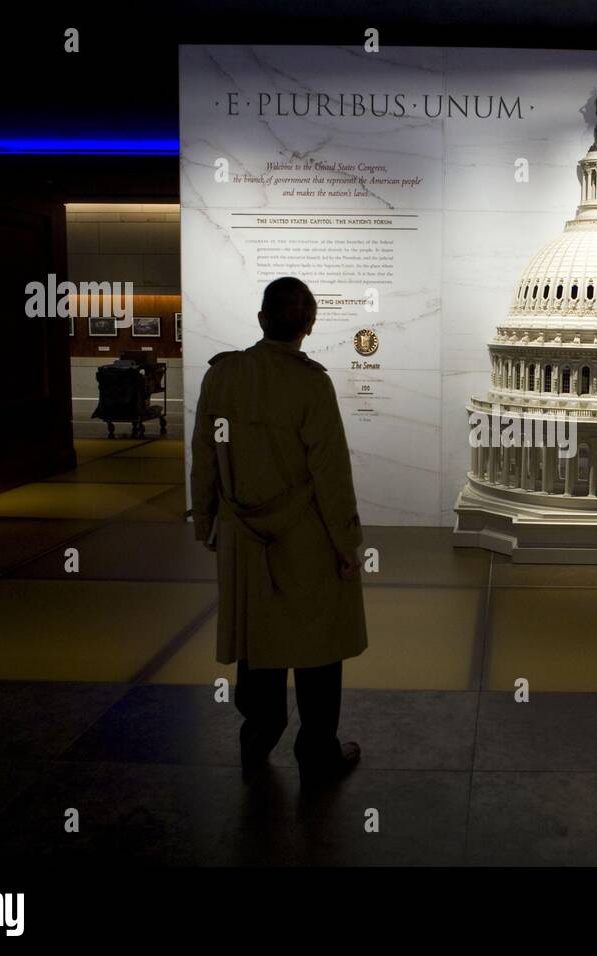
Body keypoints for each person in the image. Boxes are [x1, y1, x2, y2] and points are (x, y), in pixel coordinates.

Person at [189, 276, 366, 786]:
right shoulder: (311, 382)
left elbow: (205, 458)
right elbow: (330, 475)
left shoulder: (222, 376)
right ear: (309, 326)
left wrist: (206, 523)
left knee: (258, 640)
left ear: (262, 319)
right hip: (305, 535)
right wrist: (347, 543)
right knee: (318, 647)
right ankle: (316, 750)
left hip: (244, 537)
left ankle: (259, 733)